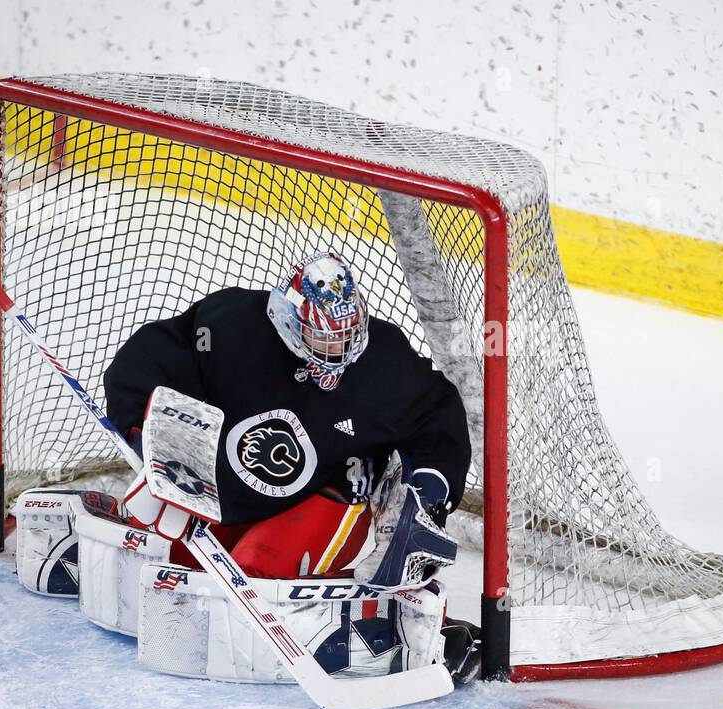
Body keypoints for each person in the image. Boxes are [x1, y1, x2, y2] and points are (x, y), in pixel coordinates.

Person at [103, 250, 481, 676]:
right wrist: (144, 432)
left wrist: (430, 492)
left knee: (246, 589)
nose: (338, 350)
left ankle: (386, 625)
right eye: (324, 338)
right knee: (167, 578)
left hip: (325, 502)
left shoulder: (385, 361)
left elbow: (439, 415)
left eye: (346, 334)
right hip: (221, 492)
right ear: (289, 320)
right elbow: (146, 358)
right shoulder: (232, 324)